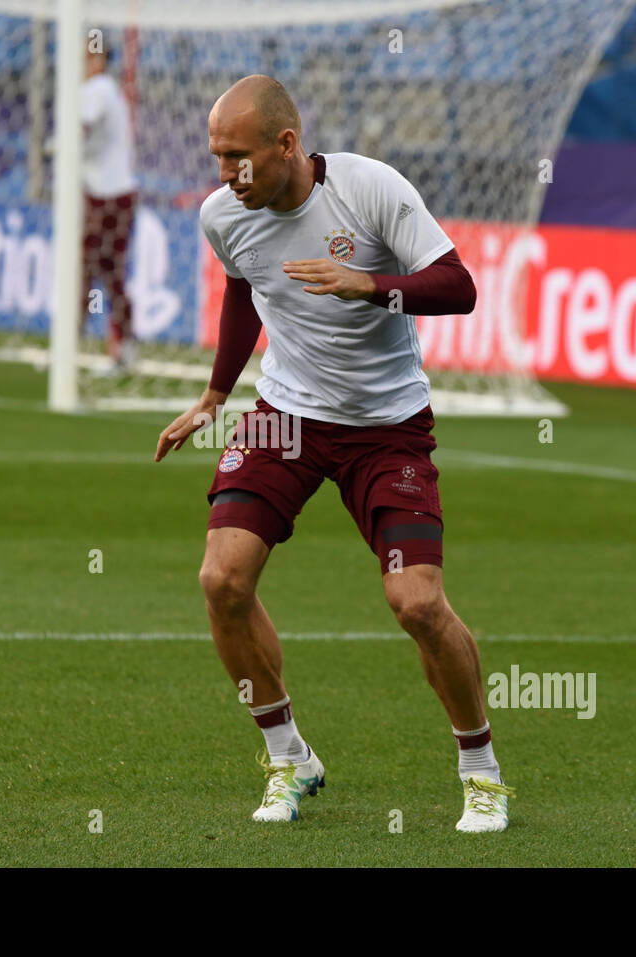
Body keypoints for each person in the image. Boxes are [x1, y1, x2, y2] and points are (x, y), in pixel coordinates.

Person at [154, 75, 513, 831]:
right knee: (222, 579)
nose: (225, 173)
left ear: (286, 144)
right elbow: (243, 289)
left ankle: (481, 771)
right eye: (216, 155)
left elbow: (460, 286)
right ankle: (288, 755)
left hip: (387, 426)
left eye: (238, 155)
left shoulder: (369, 188)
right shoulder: (223, 215)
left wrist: (370, 285)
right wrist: (215, 396)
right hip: (285, 417)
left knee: (417, 604)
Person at [81, 38, 139, 370]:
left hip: (109, 195)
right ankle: (124, 344)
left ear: (102, 59)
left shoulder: (99, 88)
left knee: (91, 267)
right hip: (110, 193)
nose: (87, 61)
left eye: (93, 55)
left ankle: (74, 342)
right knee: (106, 270)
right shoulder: (105, 89)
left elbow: (84, 125)